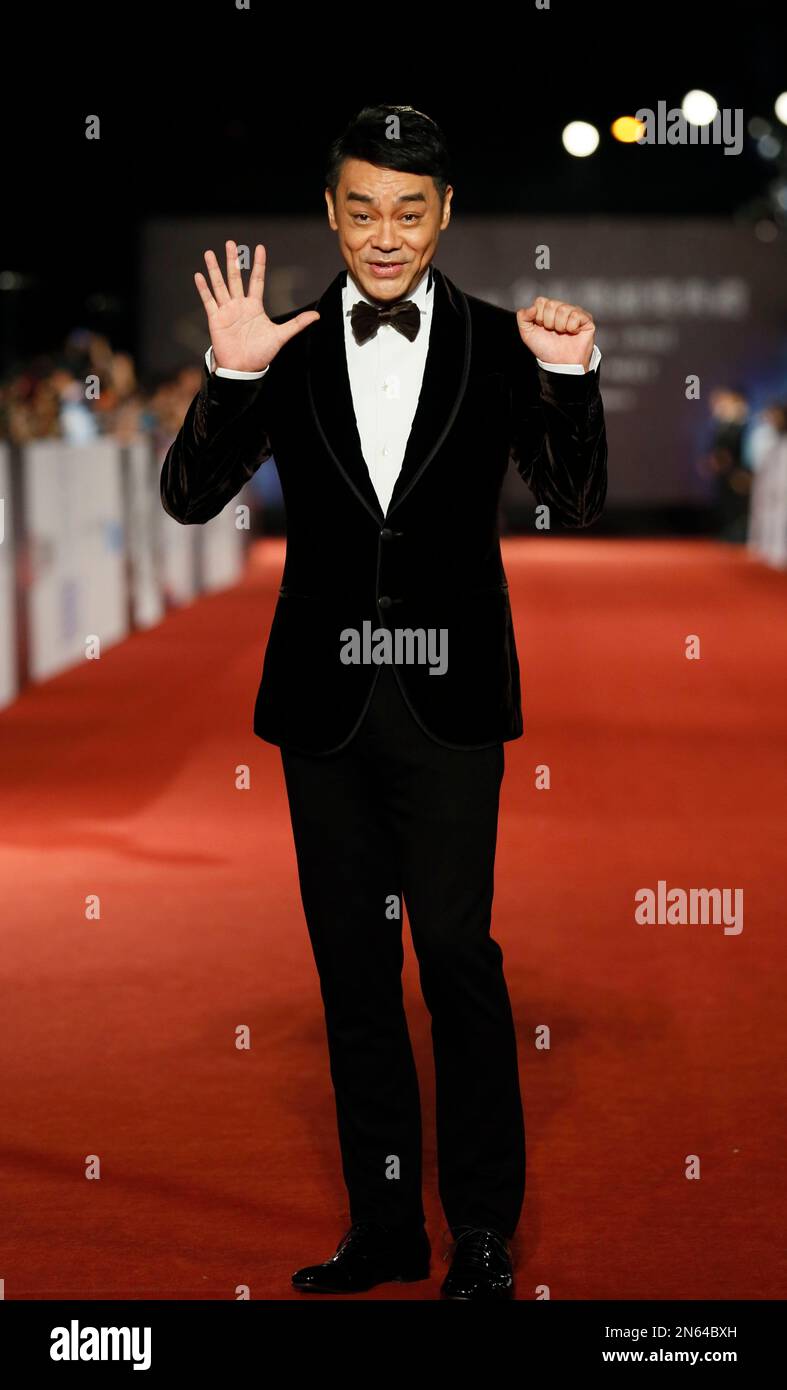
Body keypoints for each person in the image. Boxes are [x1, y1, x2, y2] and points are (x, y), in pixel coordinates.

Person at [160, 104, 608, 1300]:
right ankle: (387, 1229)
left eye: (409, 209)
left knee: (456, 955)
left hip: (452, 699)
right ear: (330, 211)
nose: (384, 232)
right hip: (325, 704)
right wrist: (228, 374)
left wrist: (568, 377)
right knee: (354, 976)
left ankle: (481, 1234)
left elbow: (574, 494)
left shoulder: (499, 341)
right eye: (361, 208)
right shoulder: (288, 339)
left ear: (445, 214)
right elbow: (191, 499)